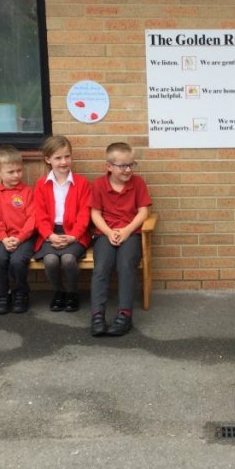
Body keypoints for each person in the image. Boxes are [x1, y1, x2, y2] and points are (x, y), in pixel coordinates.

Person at [88, 142, 152, 337]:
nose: (128, 170)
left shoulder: (138, 183)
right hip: (105, 234)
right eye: (122, 166)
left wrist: (126, 230)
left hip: (131, 234)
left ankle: (125, 315)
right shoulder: (99, 184)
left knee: (125, 265)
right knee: (102, 266)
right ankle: (97, 316)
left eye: (131, 165)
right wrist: (109, 232)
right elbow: (95, 213)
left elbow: (143, 212)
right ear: (109, 166)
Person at [31, 135, 92, 312]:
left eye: (67, 156)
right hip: (50, 232)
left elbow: (84, 214)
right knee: (50, 260)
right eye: (58, 158)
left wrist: (73, 236)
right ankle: (59, 291)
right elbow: (40, 215)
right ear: (48, 159)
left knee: (68, 259)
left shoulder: (82, 184)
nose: (63, 162)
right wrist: (49, 235)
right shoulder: (41, 185)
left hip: (75, 233)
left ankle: (72, 293)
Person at [0, 145, 37, 315]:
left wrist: (20, 238)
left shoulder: (27, 192)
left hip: (25, 238)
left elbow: (33, 218)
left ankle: (21, 293)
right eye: (11, 172)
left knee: (17, 260)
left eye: (19, 171)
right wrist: (4, 237)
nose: (16, 175)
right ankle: (4, 294)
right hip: (2, 238)